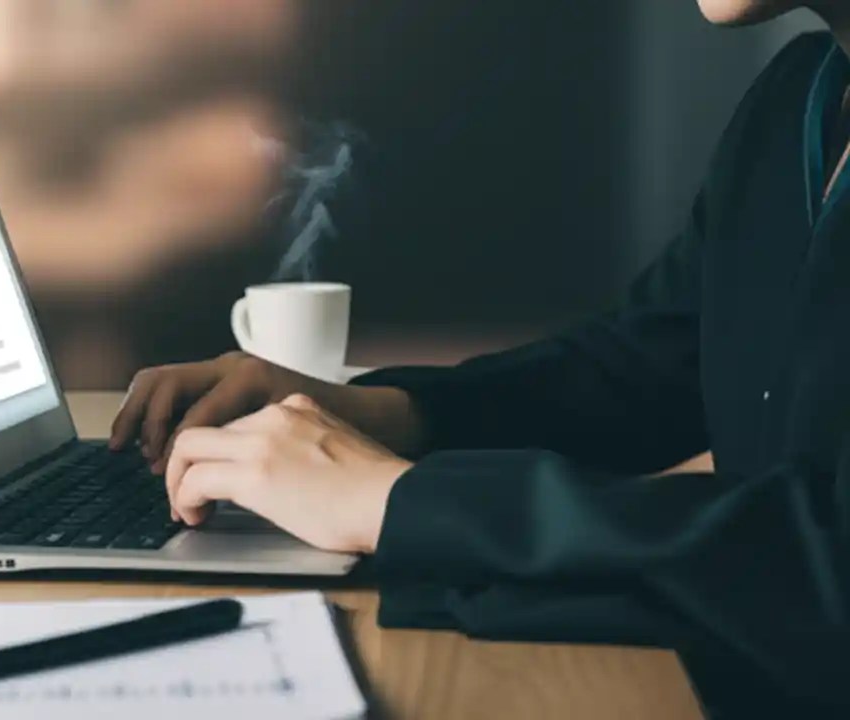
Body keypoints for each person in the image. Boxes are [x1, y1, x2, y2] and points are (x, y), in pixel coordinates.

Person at [109, 0, 850, 715]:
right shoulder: (794, 96)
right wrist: (369, 413)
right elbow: (638, 368)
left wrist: (396, 502)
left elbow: (825, 562)